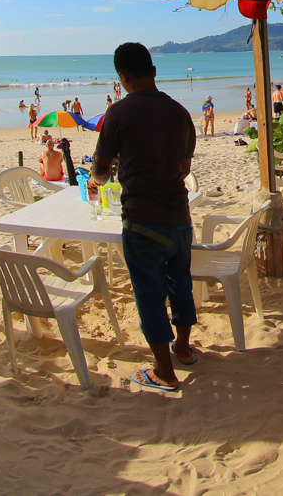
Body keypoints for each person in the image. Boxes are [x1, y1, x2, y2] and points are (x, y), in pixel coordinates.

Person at [92, 43, 197, 394]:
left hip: (142, 221)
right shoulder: (180, 113)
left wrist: (103, 177)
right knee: (180, 286)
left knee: (149, 296)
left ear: (122, 77)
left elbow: (102, 172)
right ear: (153, 70)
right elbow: (184, 169)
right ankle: (182, 348)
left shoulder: (118, 115)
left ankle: (165, 373)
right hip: (180, 217)